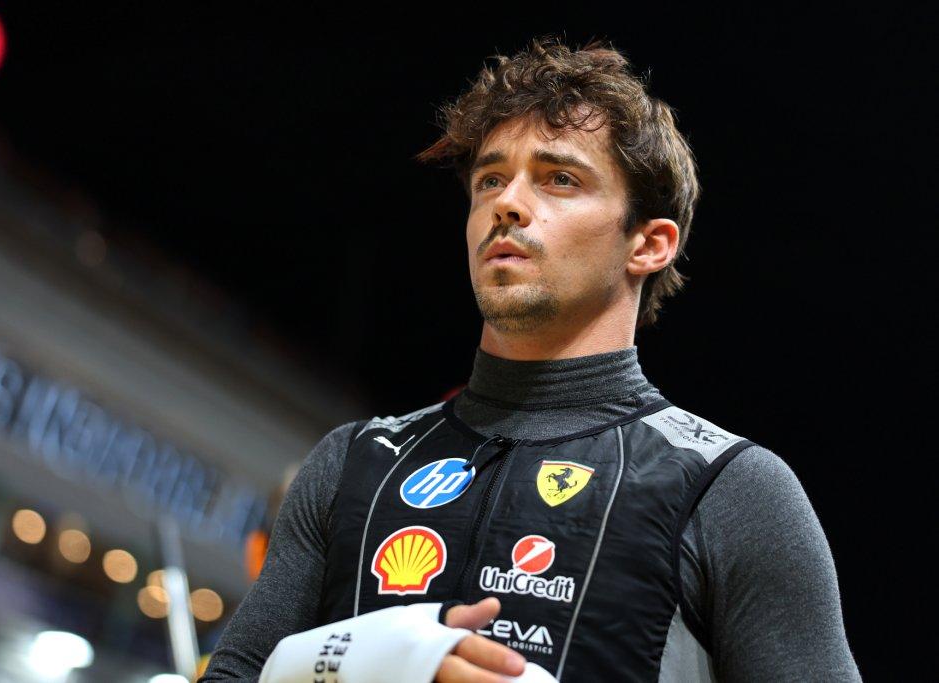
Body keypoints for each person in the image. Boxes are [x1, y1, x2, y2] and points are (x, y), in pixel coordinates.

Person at [200, 37, 860, 682]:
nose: (508, 203)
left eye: (559, 179)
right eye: (491, 179)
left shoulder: (731, 490)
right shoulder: (353, 464)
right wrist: (363, 663)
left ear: (648, 244)